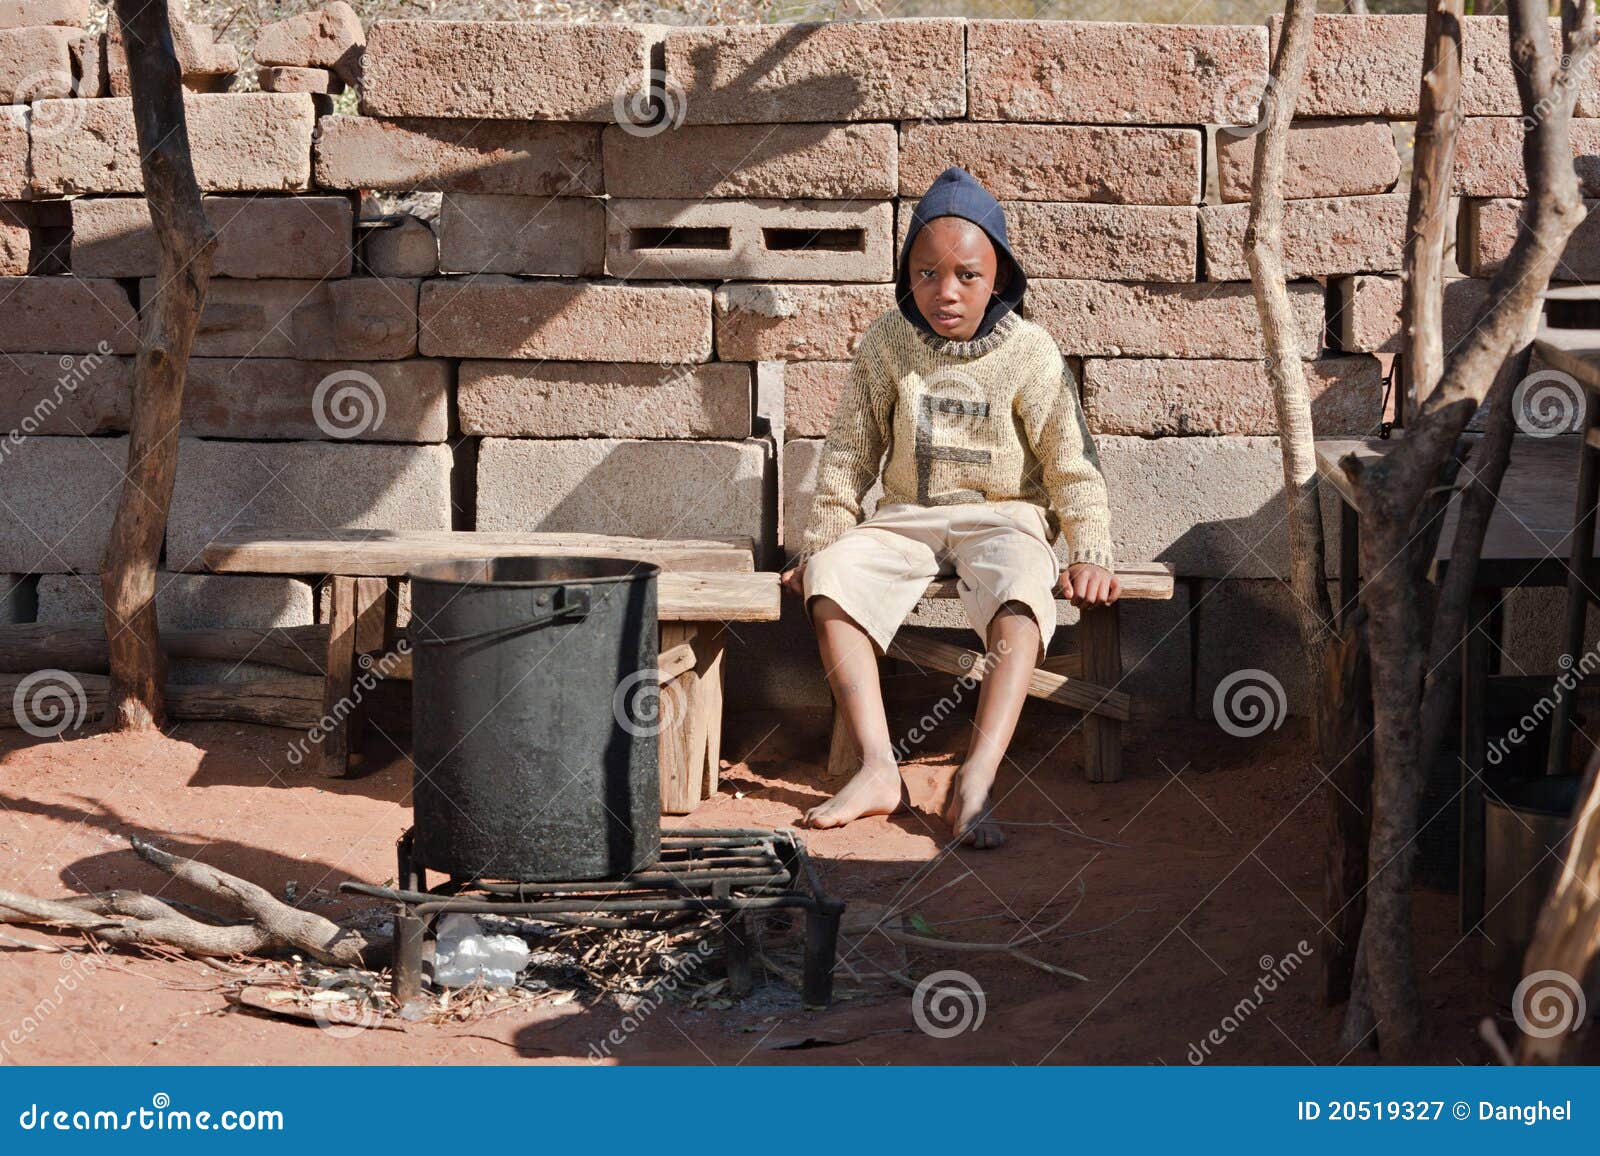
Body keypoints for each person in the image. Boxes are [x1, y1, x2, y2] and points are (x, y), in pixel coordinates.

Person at [779, 165, 1120, 849]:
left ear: (1000, 277)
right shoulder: (885, 344)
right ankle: (879, 767)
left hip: (1004, 520)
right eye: (927, 273)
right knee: (832, 582)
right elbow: (849, 452)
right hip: (905, 517)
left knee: (1023, 595)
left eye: (967, 274)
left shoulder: (1031, 351)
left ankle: (976, 778)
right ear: (907, 275)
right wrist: (821, 546)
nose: (947, 291)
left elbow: (1071, 464)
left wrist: (1088, 551)